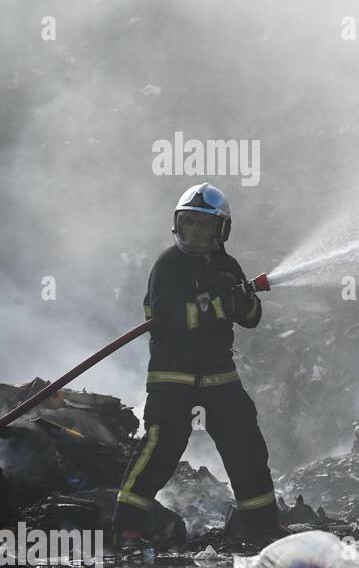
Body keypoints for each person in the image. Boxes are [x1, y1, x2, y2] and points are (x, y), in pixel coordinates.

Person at [113, 183, 283, 547]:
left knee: (247, 447)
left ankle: (263, 527)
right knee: (161, 448)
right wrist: (219, 307)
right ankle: (127, 526)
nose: (193, 232)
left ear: (221, 230)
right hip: (173, 377)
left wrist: (241, 302)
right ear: (176, 225)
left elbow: (252, 315)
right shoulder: (168, 265)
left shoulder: (228, 265)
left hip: (220, 376)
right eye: (187, 224)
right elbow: (168, 318)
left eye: (202, 225)